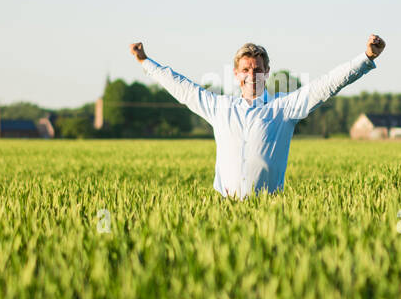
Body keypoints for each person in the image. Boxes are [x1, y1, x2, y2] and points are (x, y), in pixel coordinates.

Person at [129, 35, 386, 198]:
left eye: (258, 69)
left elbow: (326, 85)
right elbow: (182, 88)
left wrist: (366, 58)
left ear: (267, 73)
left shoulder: (284, 109)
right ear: (235, 74)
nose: (252, 75)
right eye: (245, 69)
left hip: (269, 215)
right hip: (223, 212)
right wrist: (145, 61)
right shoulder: (220, 108)